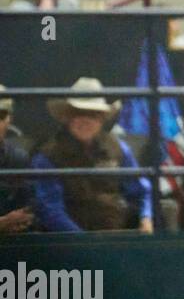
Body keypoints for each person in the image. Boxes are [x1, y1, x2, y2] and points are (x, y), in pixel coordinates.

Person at [30, 78, 153, 233]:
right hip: (66, 246)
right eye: (78, 113)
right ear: (67, 117)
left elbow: (141, 191)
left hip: (117, 239)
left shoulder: (118, 148)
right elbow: (50, 211)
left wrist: (146, 217)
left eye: (93, 114)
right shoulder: (48, 157)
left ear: (102, 118)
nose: (85, 120)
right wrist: (83, 242)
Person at [0, 86, 34, 234]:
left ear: (9, 120)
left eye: (0, 116)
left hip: (12, 248)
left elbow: (28, 210)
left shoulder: (18, 159)